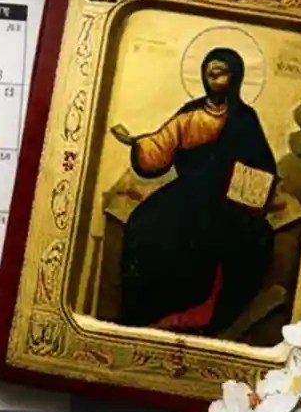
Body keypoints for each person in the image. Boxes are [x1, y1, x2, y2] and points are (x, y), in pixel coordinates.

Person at [108, 47, 276, 336]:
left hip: (227, 199)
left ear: (236, 77)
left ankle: (203, 317)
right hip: (187, 192)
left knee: (240, 241)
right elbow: (161, 144)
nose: (215, 79)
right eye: (210, 73)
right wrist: (136, 143)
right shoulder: (191, 113)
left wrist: (246, 197)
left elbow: (262, 166)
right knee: (142, 223)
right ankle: (143, 314)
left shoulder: (245, 118)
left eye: (221, 73)